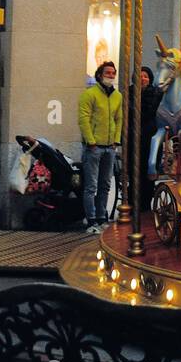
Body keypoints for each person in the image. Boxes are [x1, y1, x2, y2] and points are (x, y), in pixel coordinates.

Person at [78, 61, 123, 234]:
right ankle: (91, 220)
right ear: (99, 75)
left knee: (105, 184)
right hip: (94, 147)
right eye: (107, 72)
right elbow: (84, 119)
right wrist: (91, 141)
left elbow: (119, 119)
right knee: (91, 186)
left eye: (113, 73)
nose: (111, 75)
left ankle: (102, 217)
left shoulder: (117, 96)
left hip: (109, 146)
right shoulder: (90, 94)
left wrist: (116, 140)